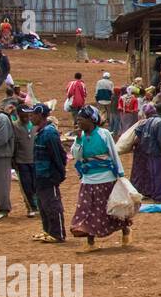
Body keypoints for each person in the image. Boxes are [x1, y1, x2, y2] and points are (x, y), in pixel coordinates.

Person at [70, 106, 131, 249]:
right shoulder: (81, 137)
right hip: (88, 179)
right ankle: (90, 242)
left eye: (81, 120)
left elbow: (113, 154)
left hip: (106, 178)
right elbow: (76, 156)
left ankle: (125, 230)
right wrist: (78, 140)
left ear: (91, 120)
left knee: (112, 209)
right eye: (77, 120)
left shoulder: (104, 134)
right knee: (86, 210)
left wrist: (120, 174)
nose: (78, 123)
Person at [29, 104, 66, 243]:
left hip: (49, 175)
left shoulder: (49, 133)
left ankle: (58, 233)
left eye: (32, 114)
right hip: (40, 174)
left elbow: (58, 156)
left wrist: (58, 174)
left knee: (52, 204)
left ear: (40, 115)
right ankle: (48, 231)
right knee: (43, 205)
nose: (30, 117)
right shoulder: (41, 132)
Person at [130, 103, 161, 203]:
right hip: (159, 153)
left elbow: (140, 134)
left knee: (153, 174)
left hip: (149, 152)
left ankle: (155, 195)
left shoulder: (147, 121)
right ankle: (160, 197)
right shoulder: (160, 122)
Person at [11, 104, 38, 218]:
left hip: (34, 160)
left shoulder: (34, 125)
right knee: (25, 185)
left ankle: (38, 206)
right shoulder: (14, 126)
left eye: (28, 114)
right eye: (23, 114)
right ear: (18, 114)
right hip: (21, 161)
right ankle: (31, 207)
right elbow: (12, 144)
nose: (26, 116)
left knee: (35, 184)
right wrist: (13, 160)